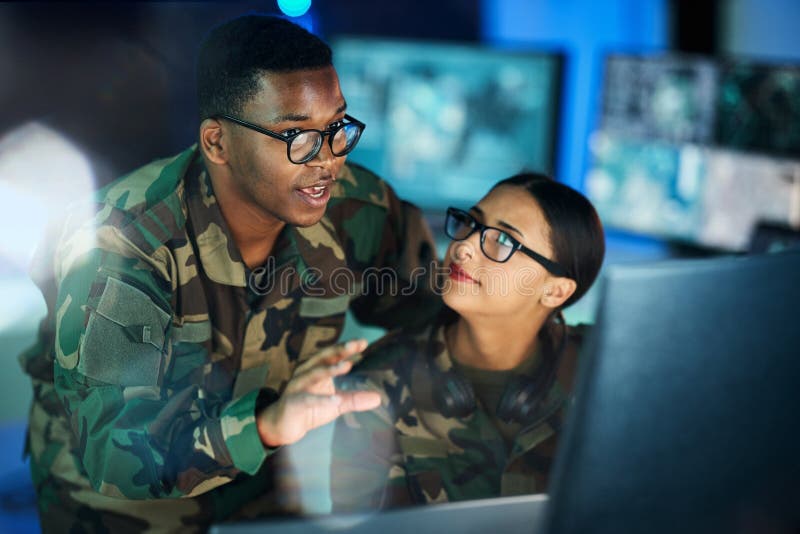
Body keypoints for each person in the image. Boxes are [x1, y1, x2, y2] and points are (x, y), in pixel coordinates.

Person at [18, 14, 440, 532]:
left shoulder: (360, 207)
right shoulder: (122, 241)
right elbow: (117, 454)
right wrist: (265, 425)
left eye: (336, 128)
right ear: (217, 143)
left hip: (266, 480)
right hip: (124, 506)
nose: (328, 160)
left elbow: (434, 320)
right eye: (296, 136)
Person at [330, 173, 605, 510]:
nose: (464, 247)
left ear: (556, 291)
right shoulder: (376, 383)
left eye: (503, 241)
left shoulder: (606, 368)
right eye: (471, 224)